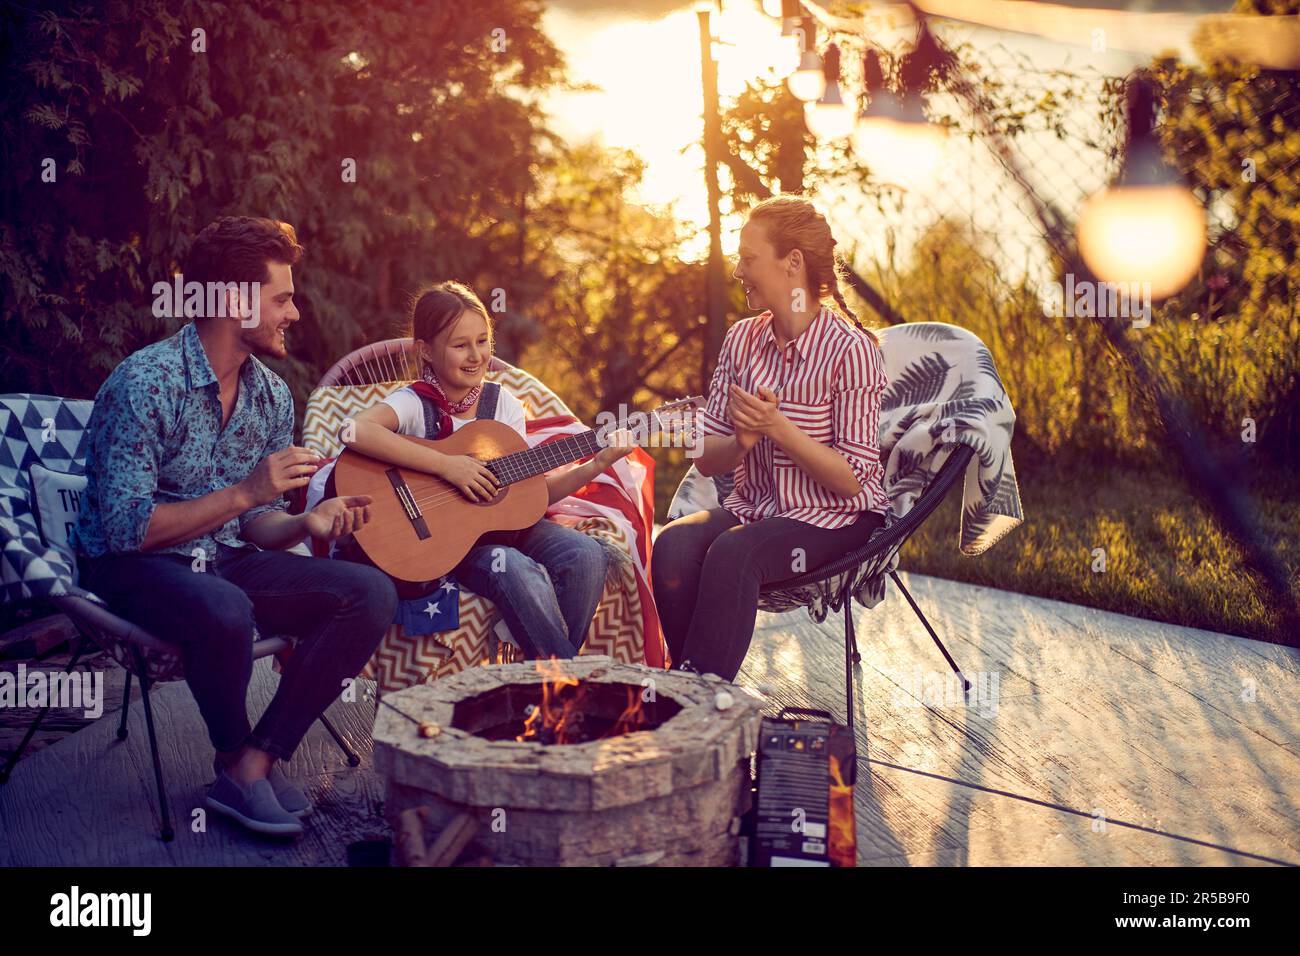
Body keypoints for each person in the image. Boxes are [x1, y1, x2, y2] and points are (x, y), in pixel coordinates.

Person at [74, 216, 398, 839]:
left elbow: (254, 526)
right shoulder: (146, 383)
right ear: (234, 301)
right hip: (137, 563)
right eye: (282, 298)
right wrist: (246, 490)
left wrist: (304, 520)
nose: (294, 313)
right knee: (224, 607)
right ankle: (233, 760)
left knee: (368, 593)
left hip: (221, 557)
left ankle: (255, 759)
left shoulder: (272, 396)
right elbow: (125, 531)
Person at [652, 195, 890, 681]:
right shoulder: (742, 341)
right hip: (759, 510)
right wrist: (741, 440)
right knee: (673, 545)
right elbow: (708, 457)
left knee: (734, 552)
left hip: (837, 517)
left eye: (748, 258)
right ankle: (697, 689)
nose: (738, 271)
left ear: (793, 263)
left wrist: (777, 428)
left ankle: (698, 705)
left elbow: (851, 481)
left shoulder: (852, 351)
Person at [332, 280, 634, 660]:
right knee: (512, 567)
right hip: (442, 546)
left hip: (501, 529)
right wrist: (448, 466)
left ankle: (543, 677)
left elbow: (531, 495)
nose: (476, 356)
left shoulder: (502, 405)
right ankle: (564, 689)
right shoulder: (412, 403)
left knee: (586, 555)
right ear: (426, 350)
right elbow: (354, 430)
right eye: (460, 345)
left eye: (482, 341)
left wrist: (597, 465)